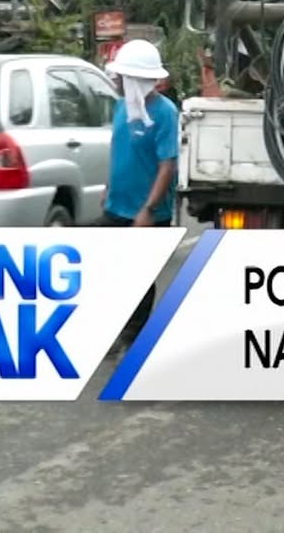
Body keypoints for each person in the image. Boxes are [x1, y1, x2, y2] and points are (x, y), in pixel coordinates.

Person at [103, 38, 179, 341]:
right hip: (117, 205)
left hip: (148, 212)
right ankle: (117, 329)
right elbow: (118, 149)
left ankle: (133, 337)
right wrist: (108, 186)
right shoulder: (121, 107)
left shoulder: (165, 113)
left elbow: (166, 165)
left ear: (135, 79)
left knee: (139, 277)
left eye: (121, 77)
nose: (116, 81)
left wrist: (148, 210)